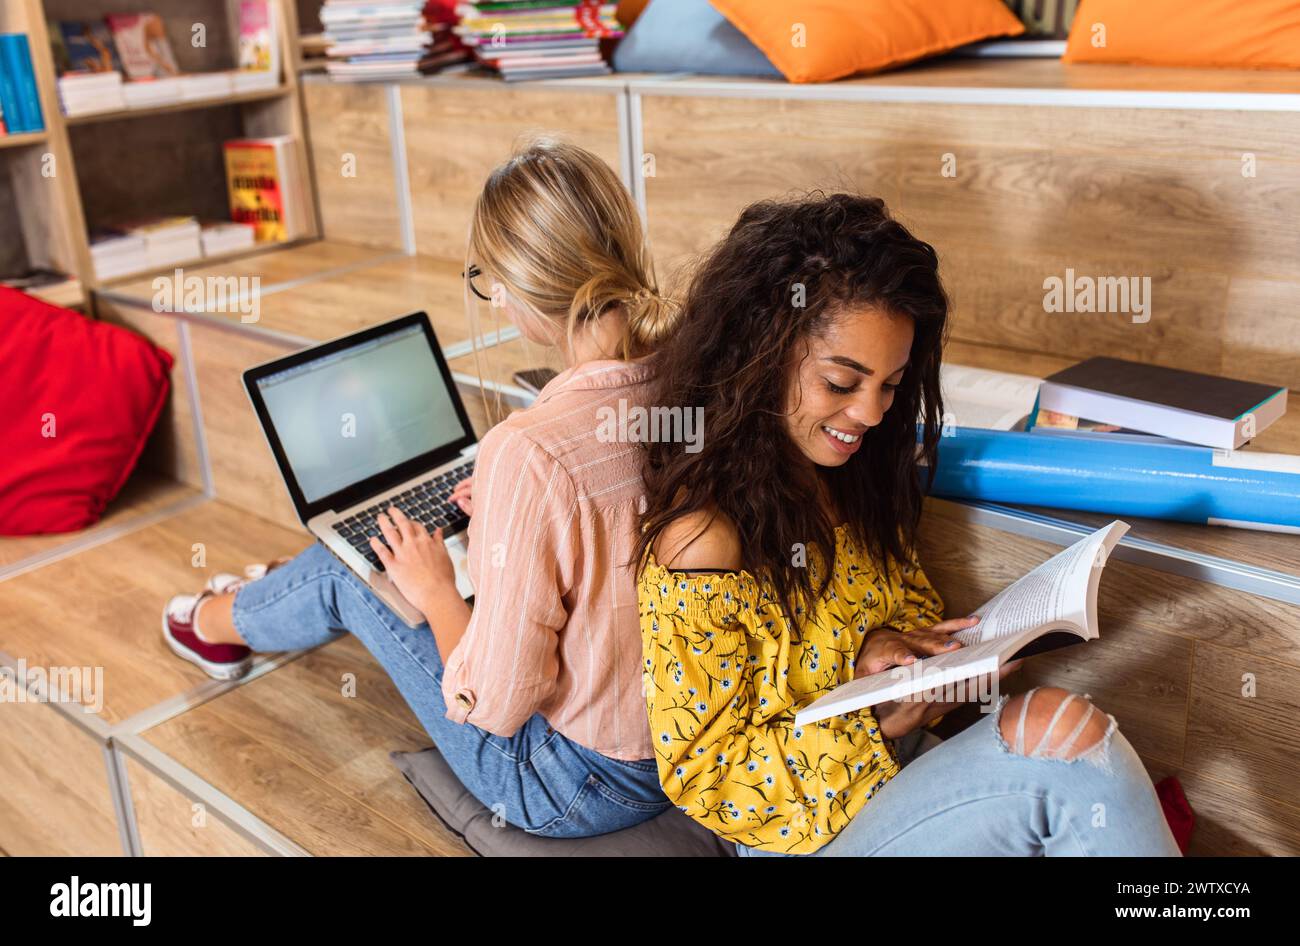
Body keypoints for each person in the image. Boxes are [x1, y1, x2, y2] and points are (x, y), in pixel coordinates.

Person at [635, 193, 1181, 856]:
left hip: (905, 771)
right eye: (841, 382)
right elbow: (708, 777)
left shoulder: (847, 474)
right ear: (759, 357)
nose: (868, 413)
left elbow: (903, 605)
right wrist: (881, 719)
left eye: (890, 385)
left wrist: (892, 647)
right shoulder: (704, 540)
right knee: (1061, 738)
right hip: (804, 835)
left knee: (1066, 735)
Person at [162, 139, 679, 838]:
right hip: (680, 740)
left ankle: (211, 625)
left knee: (357, 568)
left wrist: (435, 589)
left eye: (489, 278)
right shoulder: (683, 374)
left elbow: (494, 702)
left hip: (573, 784)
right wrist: (509, 518)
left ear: (520, 285)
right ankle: (254, 596)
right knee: (388, 547)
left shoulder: (528, 449)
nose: (492, 299)